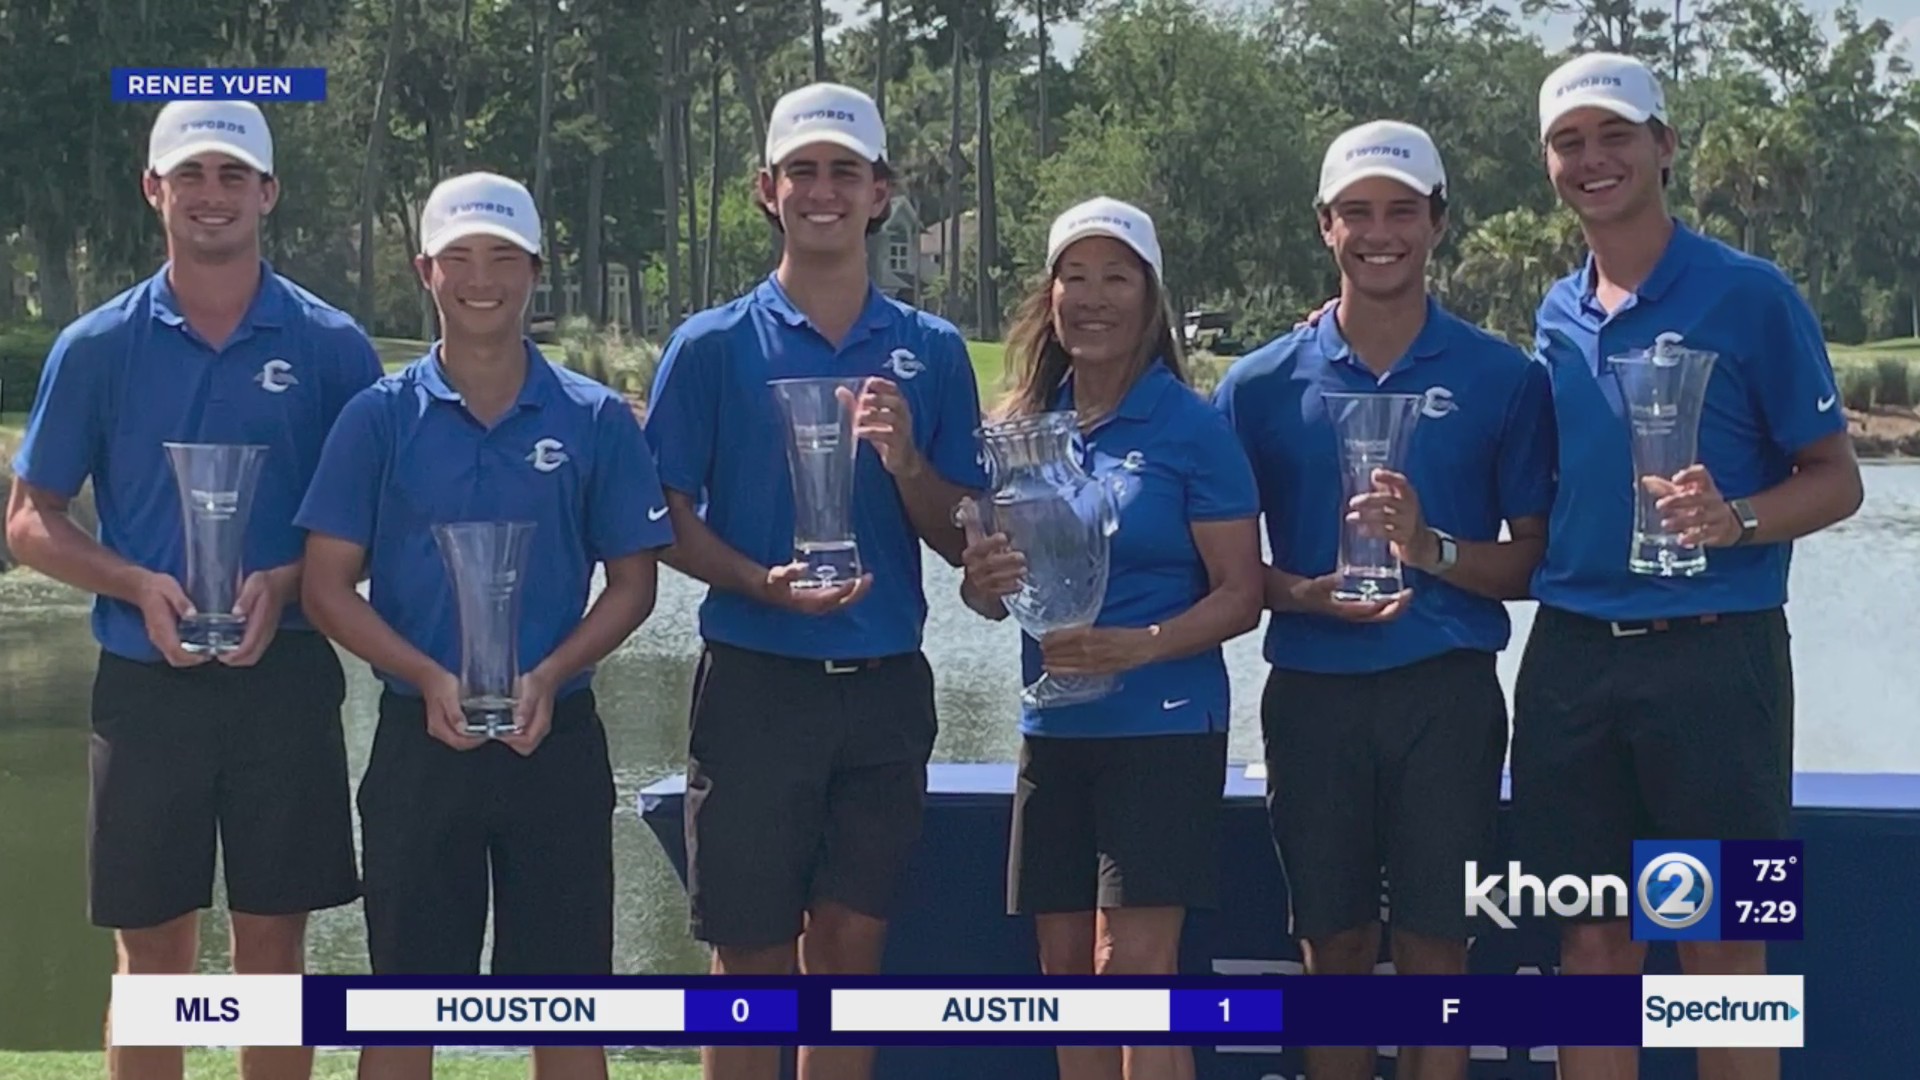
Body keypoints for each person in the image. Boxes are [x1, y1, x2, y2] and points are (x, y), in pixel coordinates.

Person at [3, 99, 374, 1080]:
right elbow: (29, 519)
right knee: (153, 960)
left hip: (286, 675)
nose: (213, 195)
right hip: (145, 683)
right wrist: (134, 582)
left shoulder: (333, 345)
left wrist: (288, 581)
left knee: (273, 957)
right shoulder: (98, 345)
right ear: (153, 189)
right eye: (192, 175)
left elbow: (374, 521)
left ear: (268, 193)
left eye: (233, 176)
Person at [1515, 52, 1862, 1080]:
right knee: (1592, 950)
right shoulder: (1556, 313)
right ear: (1549, 164)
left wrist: (1736, 518)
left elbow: (1837, 480)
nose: (1593, 159)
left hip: (1717, 661)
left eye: (1616, 136)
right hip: (1572, 661)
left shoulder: (1751, 294)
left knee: (1721, 952)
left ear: (1665, 147)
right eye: (1569, 143)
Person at [642, 82, 987, 1080]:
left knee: (847, 956)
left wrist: (909, 464)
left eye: (846, 172)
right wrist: (761, 582)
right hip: (755, 682)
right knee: (749, 960)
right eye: (803, 171)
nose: (823, 191)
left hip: (883, 687)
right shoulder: (710, 345)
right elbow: (659, 519)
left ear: (882, 193)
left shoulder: (931, 351)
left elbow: (966, 540)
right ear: (767, 189)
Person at [295, 171, 673, 1080]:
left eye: (502, 257)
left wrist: (551, 672)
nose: (480, 279)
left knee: (568, 1014)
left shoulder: (592, 417)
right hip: (418, 743)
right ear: (424, 270)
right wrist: (428, 676)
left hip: (557, 736)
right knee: (401, 1015)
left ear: (535, 271)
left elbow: (633, 584)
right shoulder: (377, 418)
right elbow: (326, 588)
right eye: (458, 258)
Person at [1214, 121, 1557, 1080]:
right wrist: (1307, 594)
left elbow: (1533, 563)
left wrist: (1430, 549)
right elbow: (1223, 571)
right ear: (1324, 226)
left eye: (1401, 211)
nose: (1379, 233)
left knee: (1438, 949)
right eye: (1356, 213)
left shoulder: (1503, 378)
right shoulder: (1258, 385)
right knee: (1334, 949)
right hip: (1313, 694)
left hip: (1446, 692)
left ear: (1437, 223)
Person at [960, 196, 1264, 1080]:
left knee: (1132, 973)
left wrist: (1141, 645)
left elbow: (1242, 595)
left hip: (1162, 725)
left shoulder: (1192, 428)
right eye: (1076, 277)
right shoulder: (1022, 429)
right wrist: (982, 584)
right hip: (1053, 727)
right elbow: (996, 600)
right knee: (1065, 975)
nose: (1094, 297)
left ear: (1150, 297)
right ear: (1050, 296)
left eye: (1117, 278)